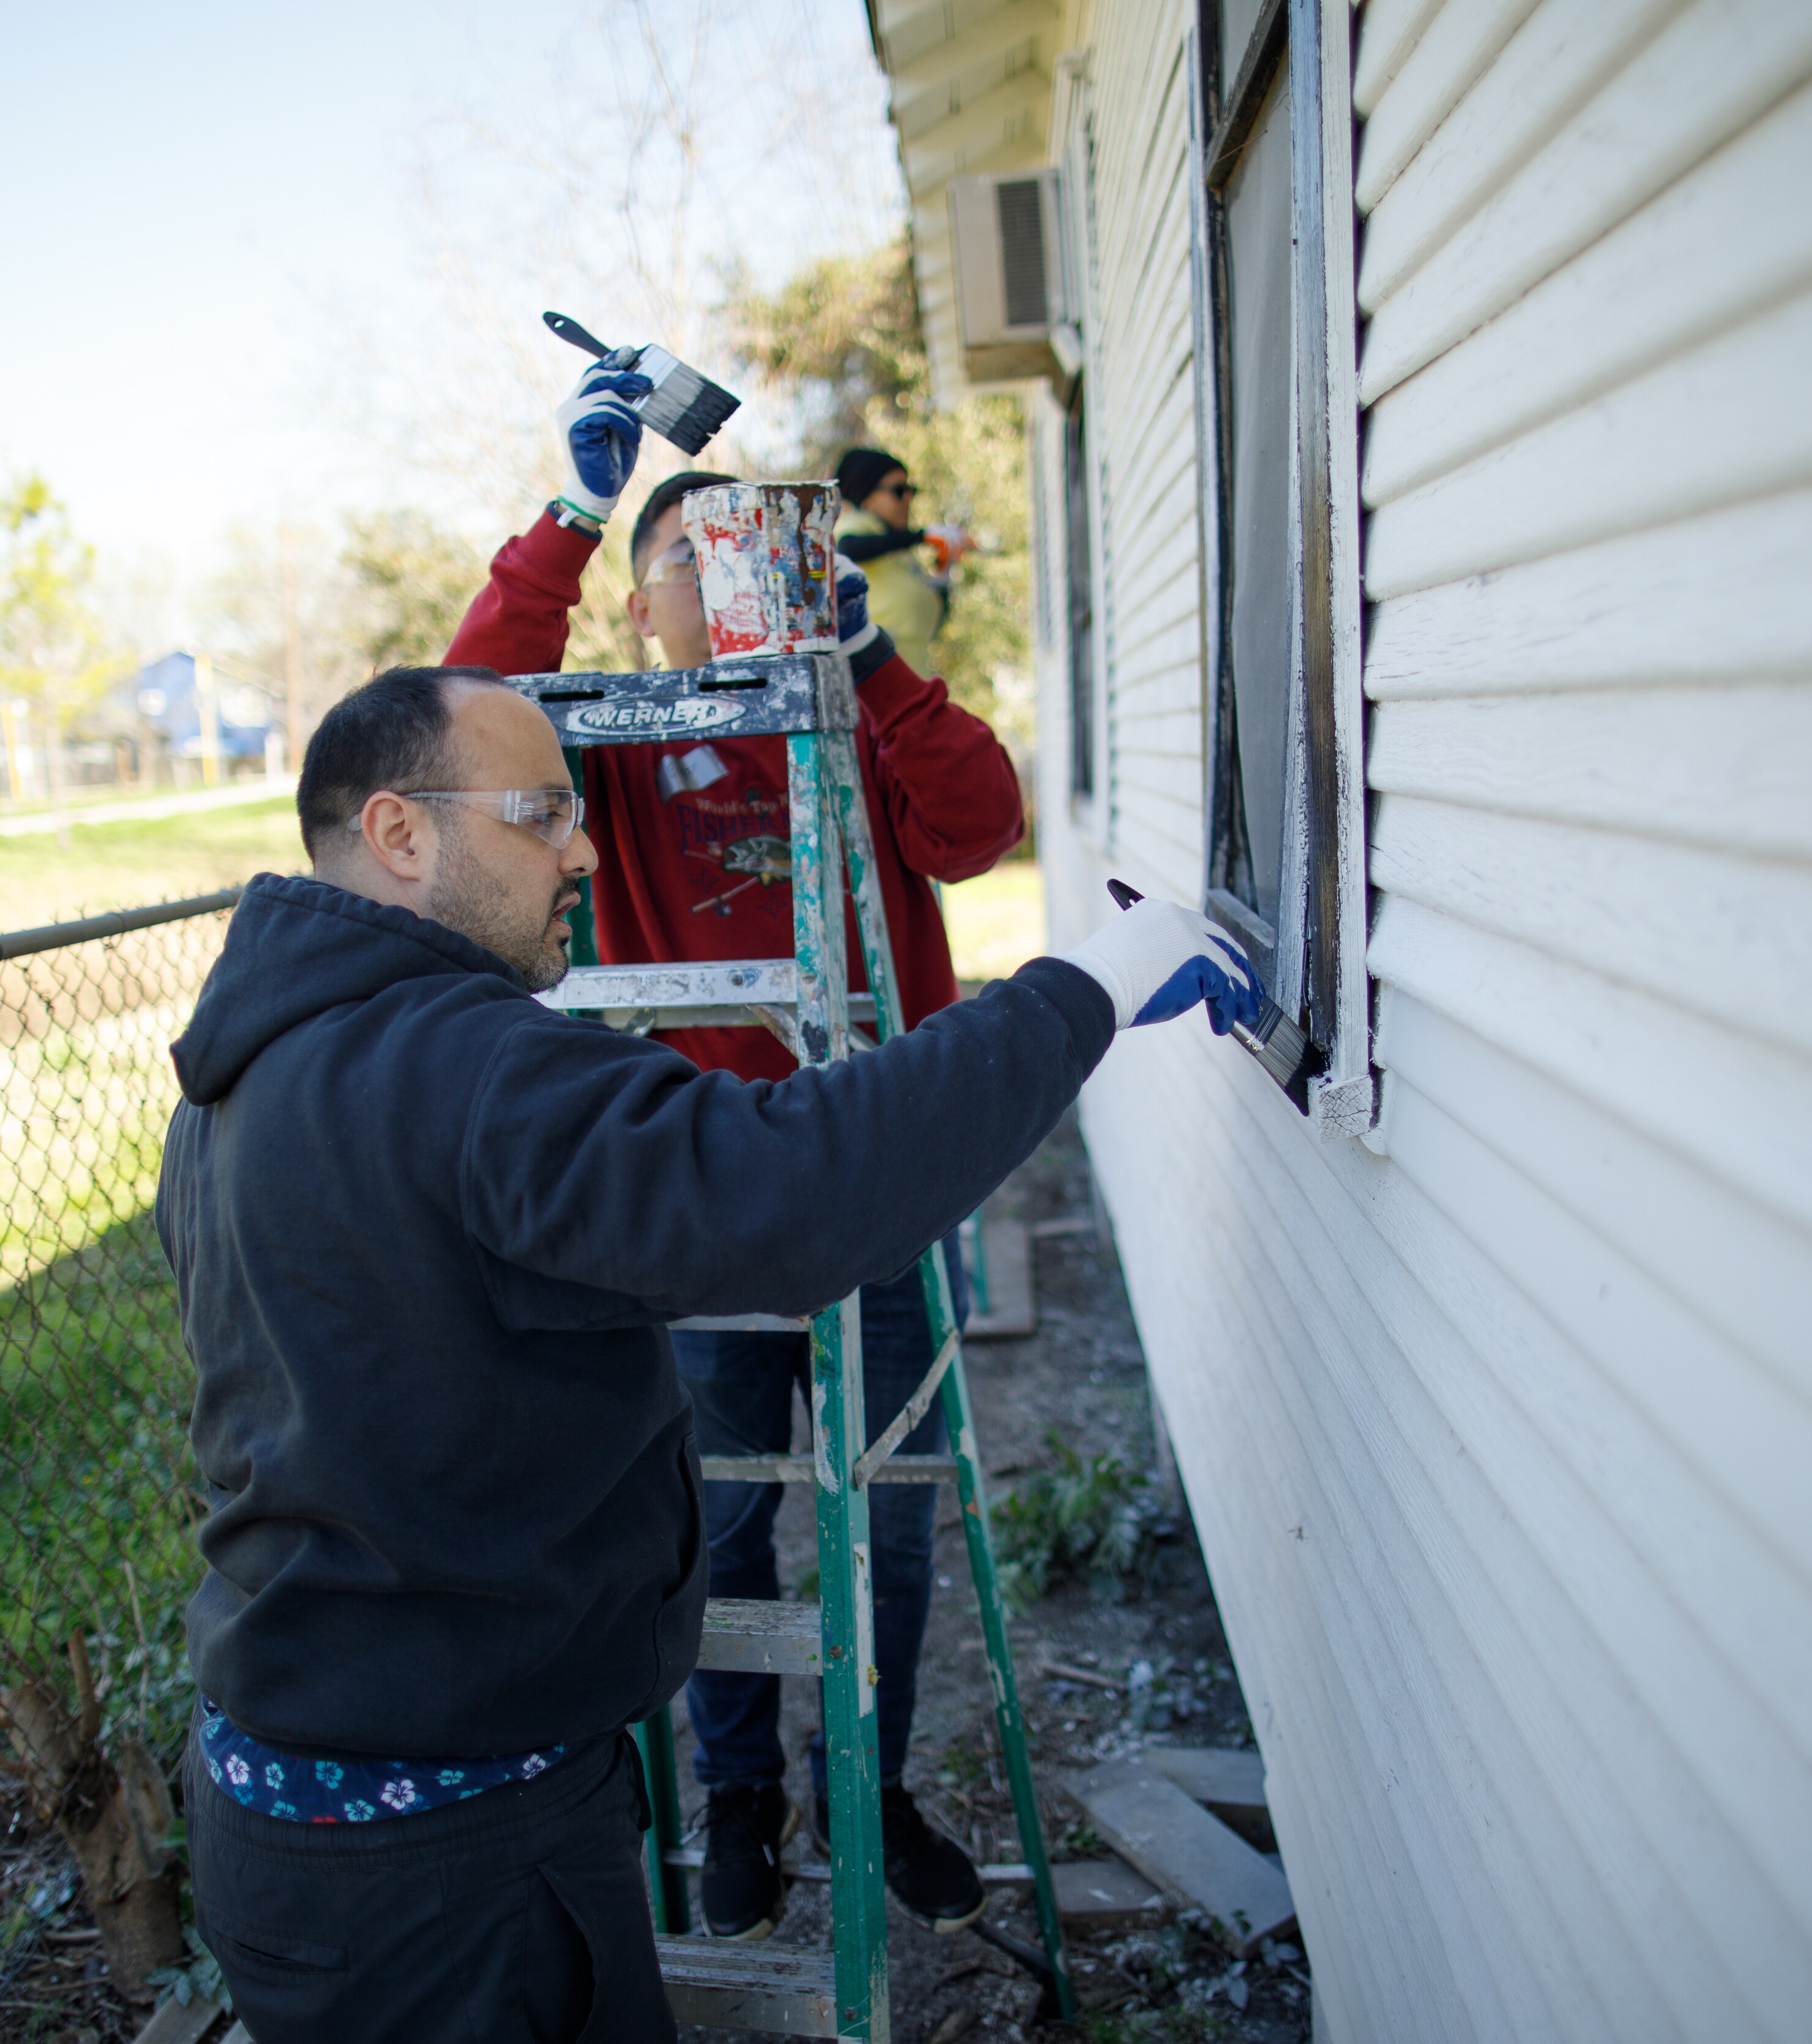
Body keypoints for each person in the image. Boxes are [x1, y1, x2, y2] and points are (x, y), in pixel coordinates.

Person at [161, 646, 1262, 2041]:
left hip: (307, 1810)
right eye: (544, 817)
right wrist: (1086, 988)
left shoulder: (242, 1078)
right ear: (396, 834)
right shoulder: (472, 1067)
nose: (583, 853)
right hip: (447, 1861)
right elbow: (798, 1186)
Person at [443, 371, 1022, 1943]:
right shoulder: (611, 756)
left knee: (889, 1508)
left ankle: (874, 1784)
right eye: (699, 555)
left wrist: (870, 649)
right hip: (705, 1184)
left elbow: (980, 831)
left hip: (877, 1164)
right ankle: (739, 1802)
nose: (736, 575)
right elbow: (464, 711)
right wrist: (571, 514)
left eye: (764, 549)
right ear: (642, 611)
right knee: (714, 1518)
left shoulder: (850, 715)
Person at [831, 445, 966, 675]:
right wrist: (923, 536)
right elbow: (849, 547)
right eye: (898, 490)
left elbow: (930, 623)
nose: (908, 499)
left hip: (913, 680)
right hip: (877, 687)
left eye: (911, 490)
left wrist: (943, 578)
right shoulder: (855, 525)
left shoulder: (899, 553)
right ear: (867, 496)